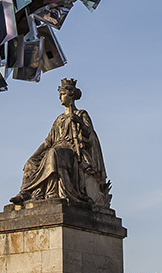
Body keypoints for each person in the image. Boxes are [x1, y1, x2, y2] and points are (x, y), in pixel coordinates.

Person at [11, 78, 112, 208]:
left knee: (53, 154)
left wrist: (79, 121)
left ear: (71, 95)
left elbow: (89, 133)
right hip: (56, 148)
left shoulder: (81, 114)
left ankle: (52, 192)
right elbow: (48, 142)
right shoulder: (59, 119)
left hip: (71, 151)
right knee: (31, 162)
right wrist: (33, 155)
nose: (60, 97)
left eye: (63, 94)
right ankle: (25, 193)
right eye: (59, 95)